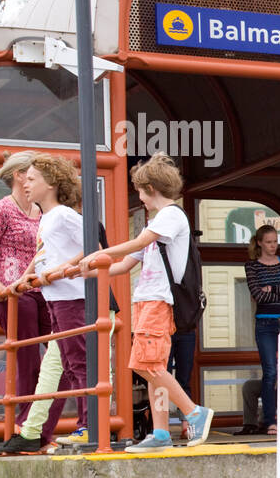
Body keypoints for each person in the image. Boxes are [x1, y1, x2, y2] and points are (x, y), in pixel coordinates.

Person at [77, 153, 213, 451]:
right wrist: (91, 270)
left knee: (145, 364)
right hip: (147, 300)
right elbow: (126, 264)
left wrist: (98, 256)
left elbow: (137, 245)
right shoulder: (158, 220)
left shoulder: (171, 216)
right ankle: (161, 431)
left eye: (139, 190)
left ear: (150, 188)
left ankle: (193, 412)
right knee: (155, 367)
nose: (138, 196)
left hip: (158, 300)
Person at [0, 155, 87, 452]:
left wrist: (59, 271)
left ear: (51, 184)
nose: (26, 184)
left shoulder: (64, 215)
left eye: (31, 179)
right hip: (56, 300)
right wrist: (23, 279)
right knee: (64, 367)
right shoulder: (47, 218)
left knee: (79, 364)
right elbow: (42, 254)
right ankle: (37, 432)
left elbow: (94, 248)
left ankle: (88, 426)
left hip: (73, 297)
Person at [0, 152, 46, 445]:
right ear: (19, 175)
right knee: (29, 360)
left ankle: (43, 423)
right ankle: (24, 425)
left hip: (45, 290)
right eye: (33, 172)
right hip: (15, 296)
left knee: (61, 354)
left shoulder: (44, 211)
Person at [242, 224, 280, 437]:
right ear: (259, 243)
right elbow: (258, 295)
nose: (273, 246)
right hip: (265, 323)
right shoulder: (252, 266)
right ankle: (271, 420)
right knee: (271, 372)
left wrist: (273, 288)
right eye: (268, 242)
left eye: (275, 241)